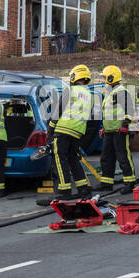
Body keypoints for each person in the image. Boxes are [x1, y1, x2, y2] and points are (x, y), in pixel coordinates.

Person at [47, 64, 94, 201]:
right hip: (77, 132)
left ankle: (64, 190)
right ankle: (83, 188)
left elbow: (59, 110)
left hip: (63, 129)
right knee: (73, 159)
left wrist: (50, 128)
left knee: (60, 159)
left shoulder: (70, 90)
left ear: (74, 76)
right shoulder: (89, 95)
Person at [98, 65, 138, 192]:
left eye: (105, 77)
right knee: (106, 157)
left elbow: (129, 110)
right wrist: (104, 128)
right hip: (109, 131)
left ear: (111, 77)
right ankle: (106, 183)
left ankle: (130, 182)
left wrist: (125, 125)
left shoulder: (121, 91)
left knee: (123, 156)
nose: (104, 80)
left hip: (119, 131)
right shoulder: (110, 93)